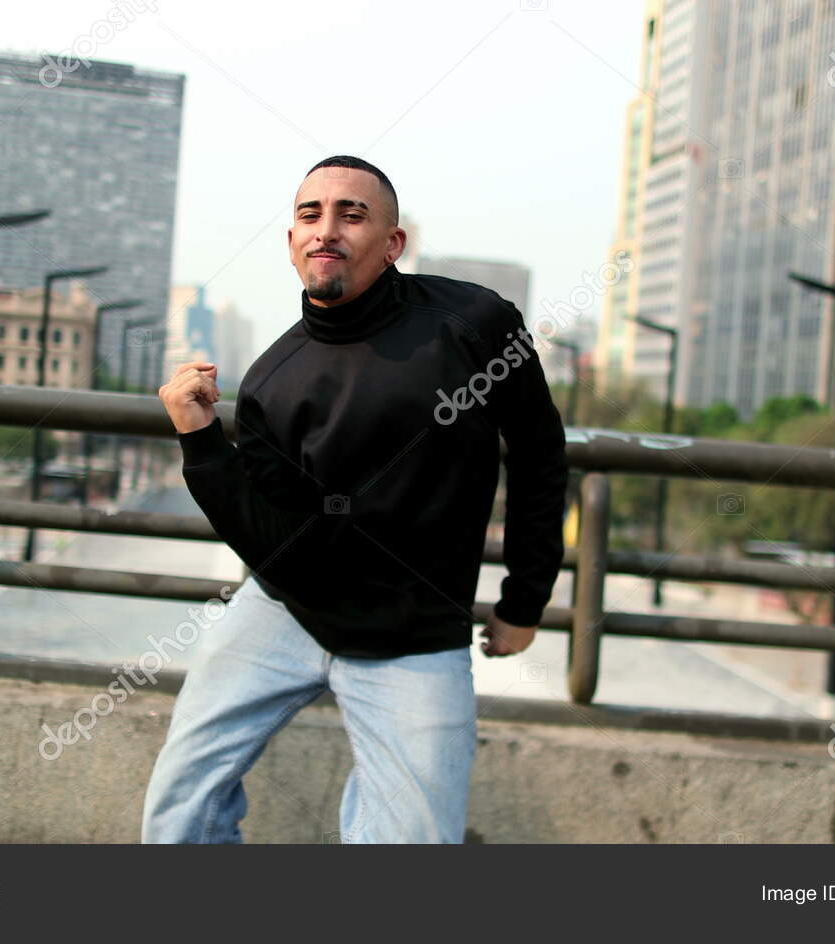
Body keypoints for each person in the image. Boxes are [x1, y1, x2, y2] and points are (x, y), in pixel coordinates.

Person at [142, 155, 568, 843]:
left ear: (392, 243)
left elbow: (541, 455)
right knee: (180, 798)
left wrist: (525, 600)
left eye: (352, 214)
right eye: (310, 216)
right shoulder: (271, 382)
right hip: (286, 608)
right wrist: (199, 443)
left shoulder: (474, 323)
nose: (326, 230)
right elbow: (272, 541)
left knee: (414, 844)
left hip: (414, 634)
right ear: (290, 244)